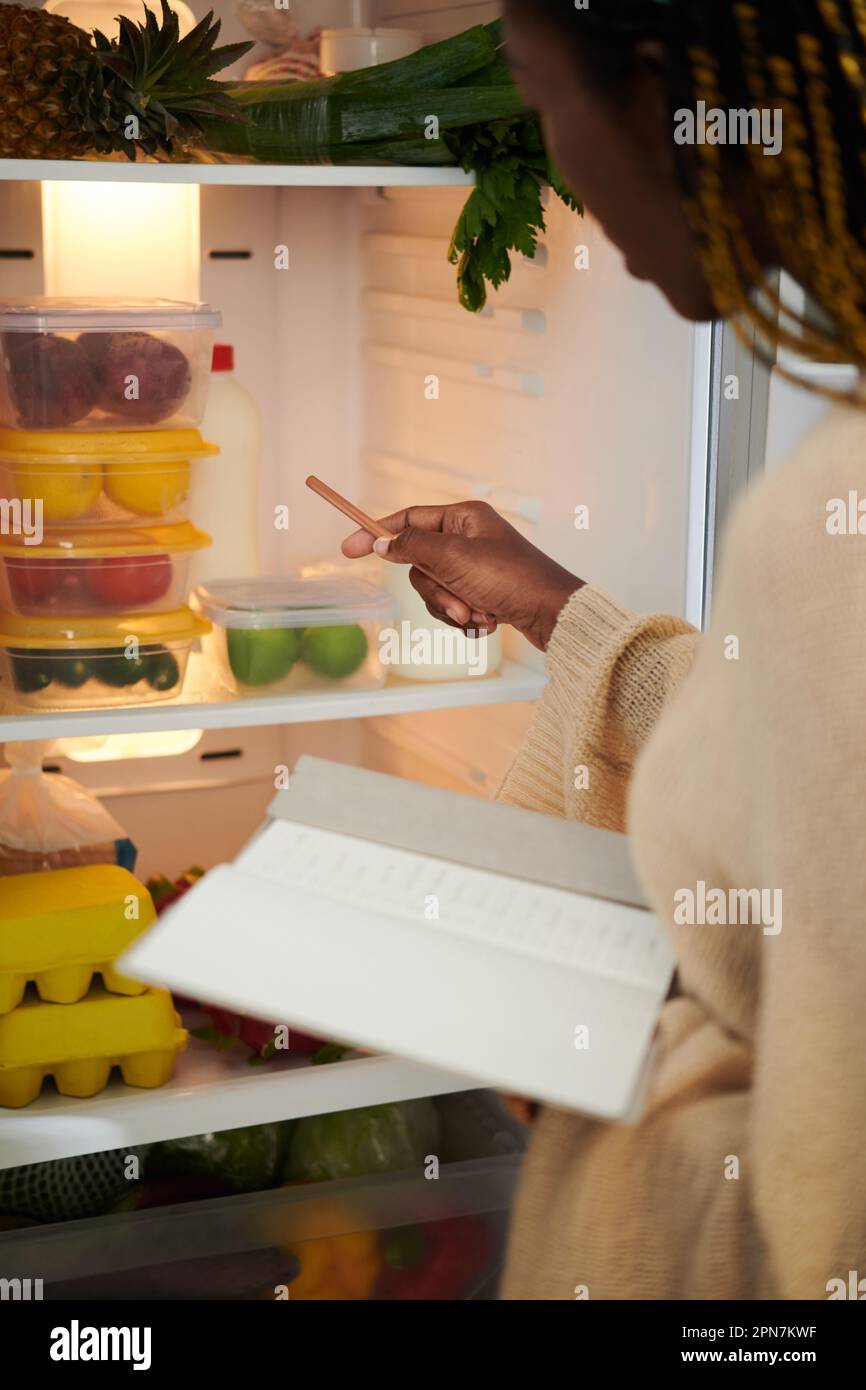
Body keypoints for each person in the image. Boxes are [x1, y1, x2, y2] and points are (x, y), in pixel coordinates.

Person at [343, 0, 866, 1300]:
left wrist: (583, 1043)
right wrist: (548, 606)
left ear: (650, 102)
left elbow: (826, 1219)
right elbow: (790, 751)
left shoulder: (827, 525)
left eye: (532, 88)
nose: (550, 153)